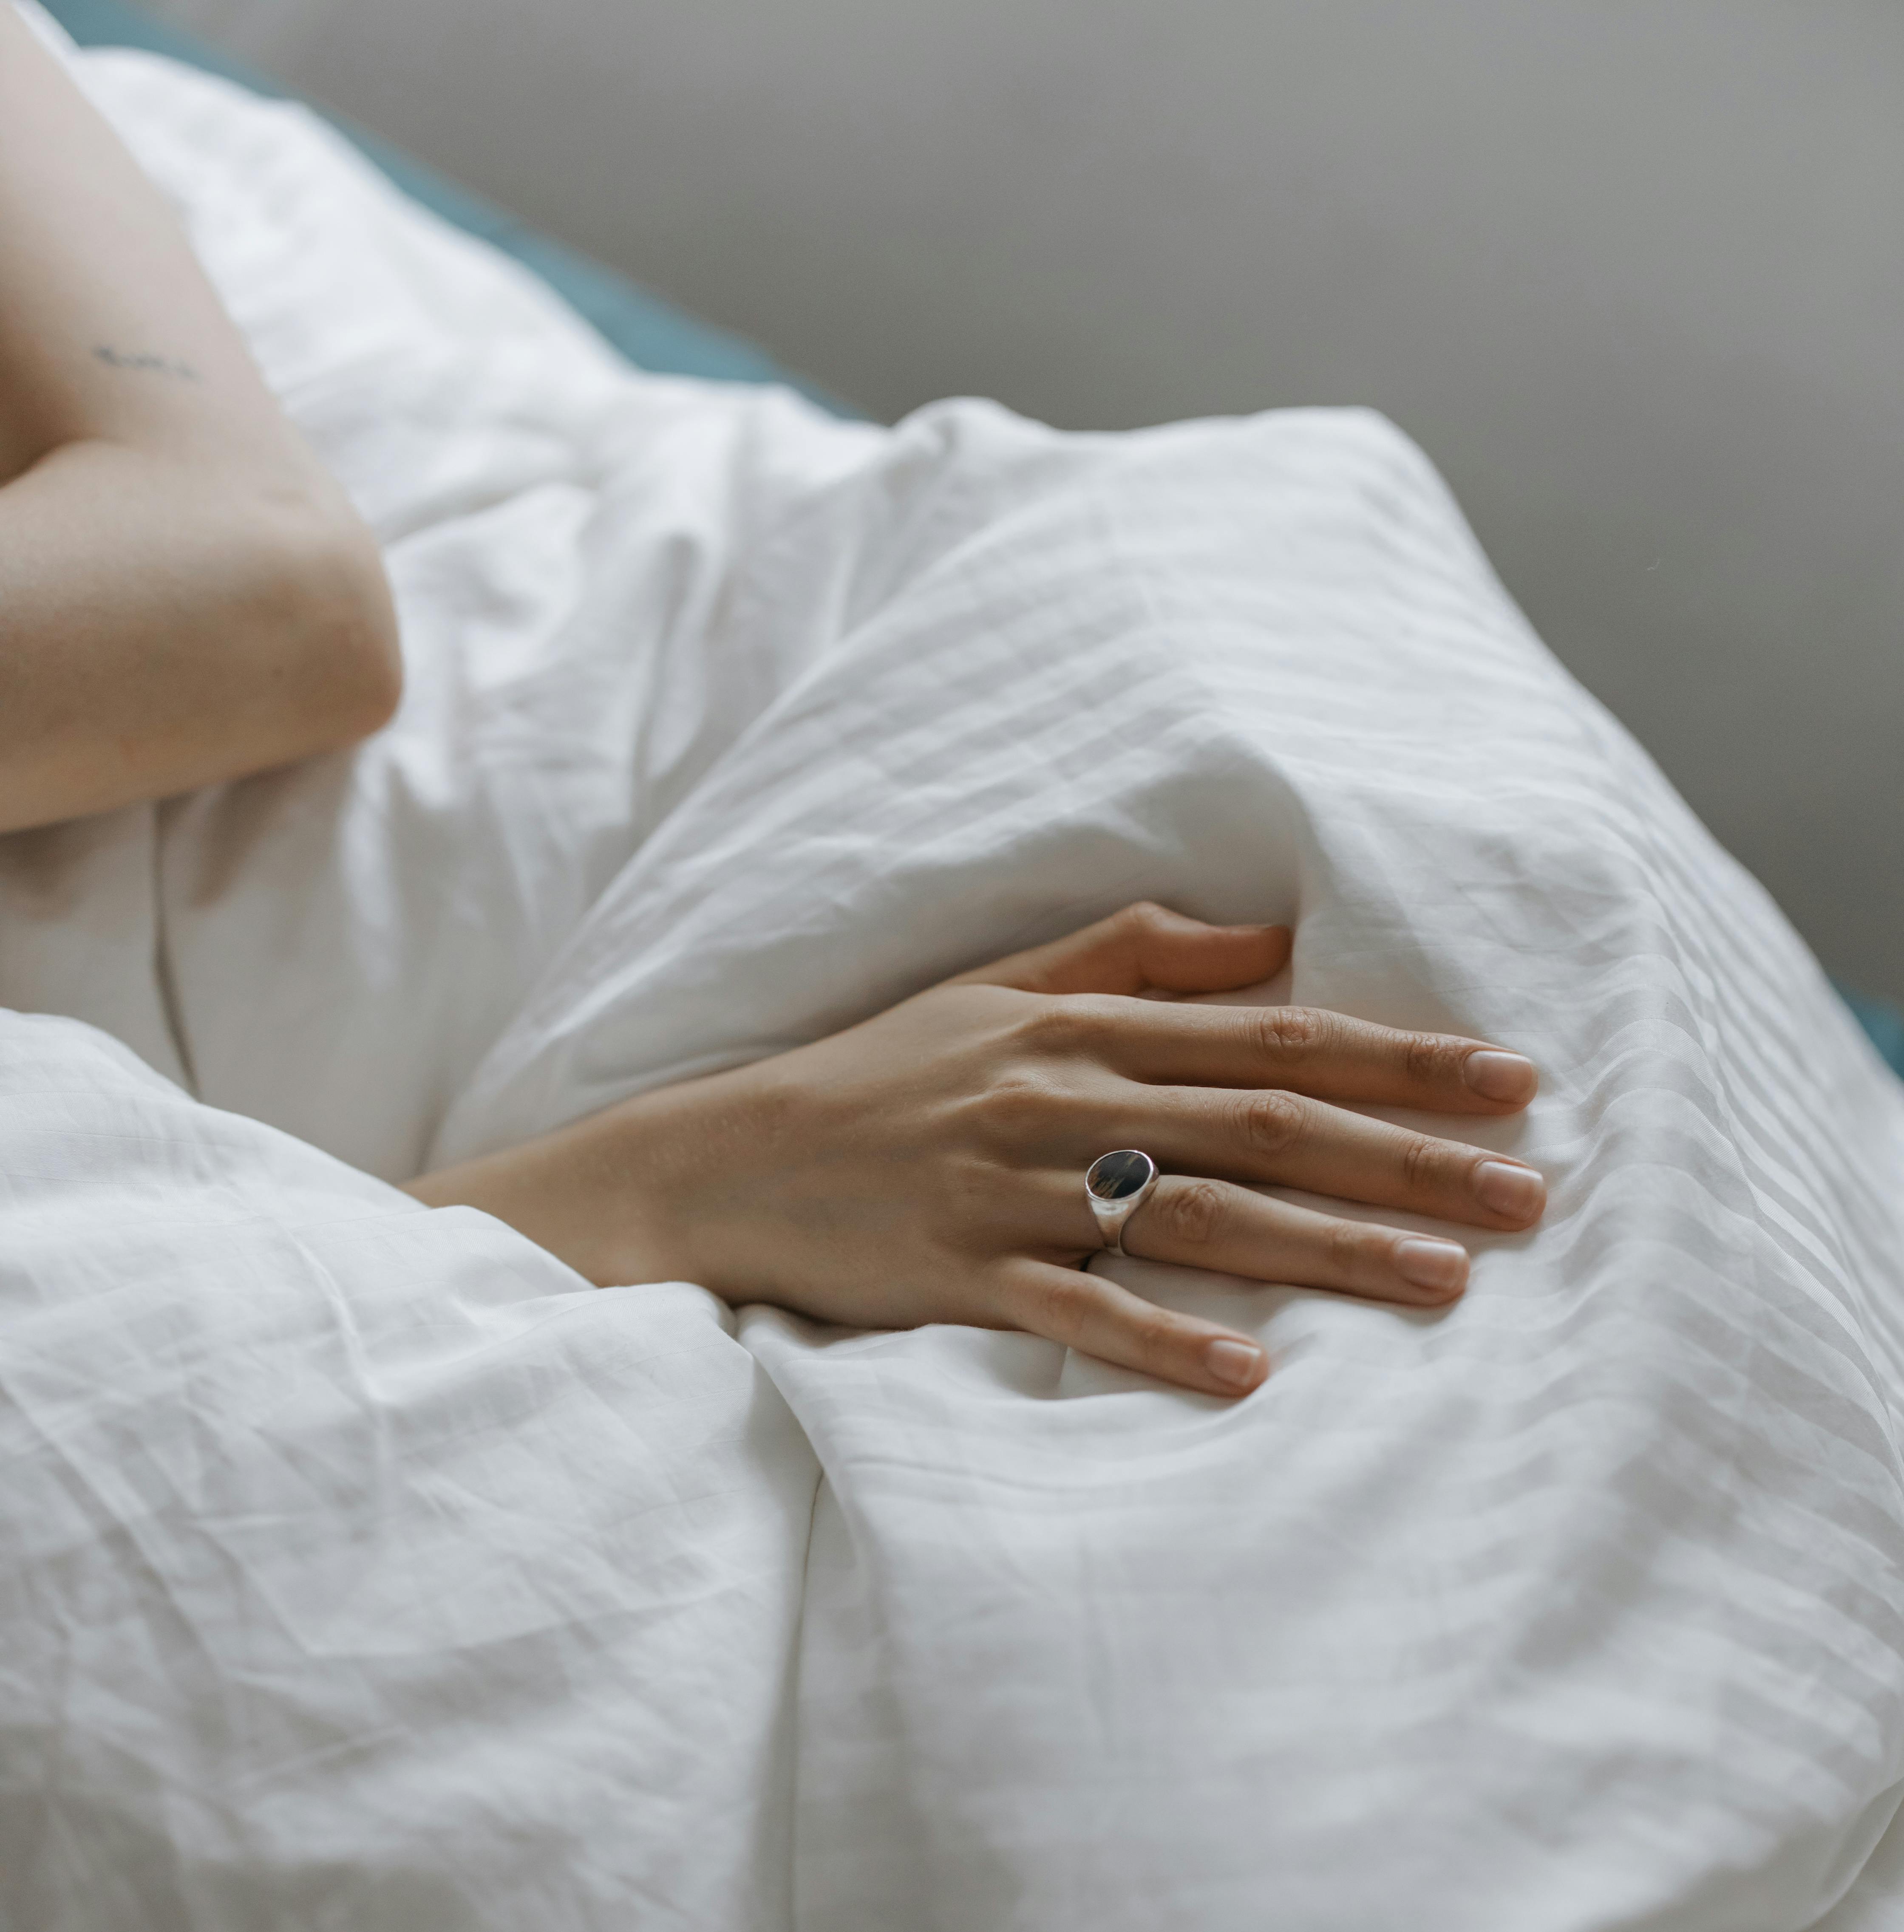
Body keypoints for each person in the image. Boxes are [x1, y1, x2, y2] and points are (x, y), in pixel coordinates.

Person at [0, 0, 1544, 1403]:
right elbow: (142, 1374)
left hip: (793, 733)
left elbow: (266, 597)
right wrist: (670, 1182)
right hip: (518, 1213)